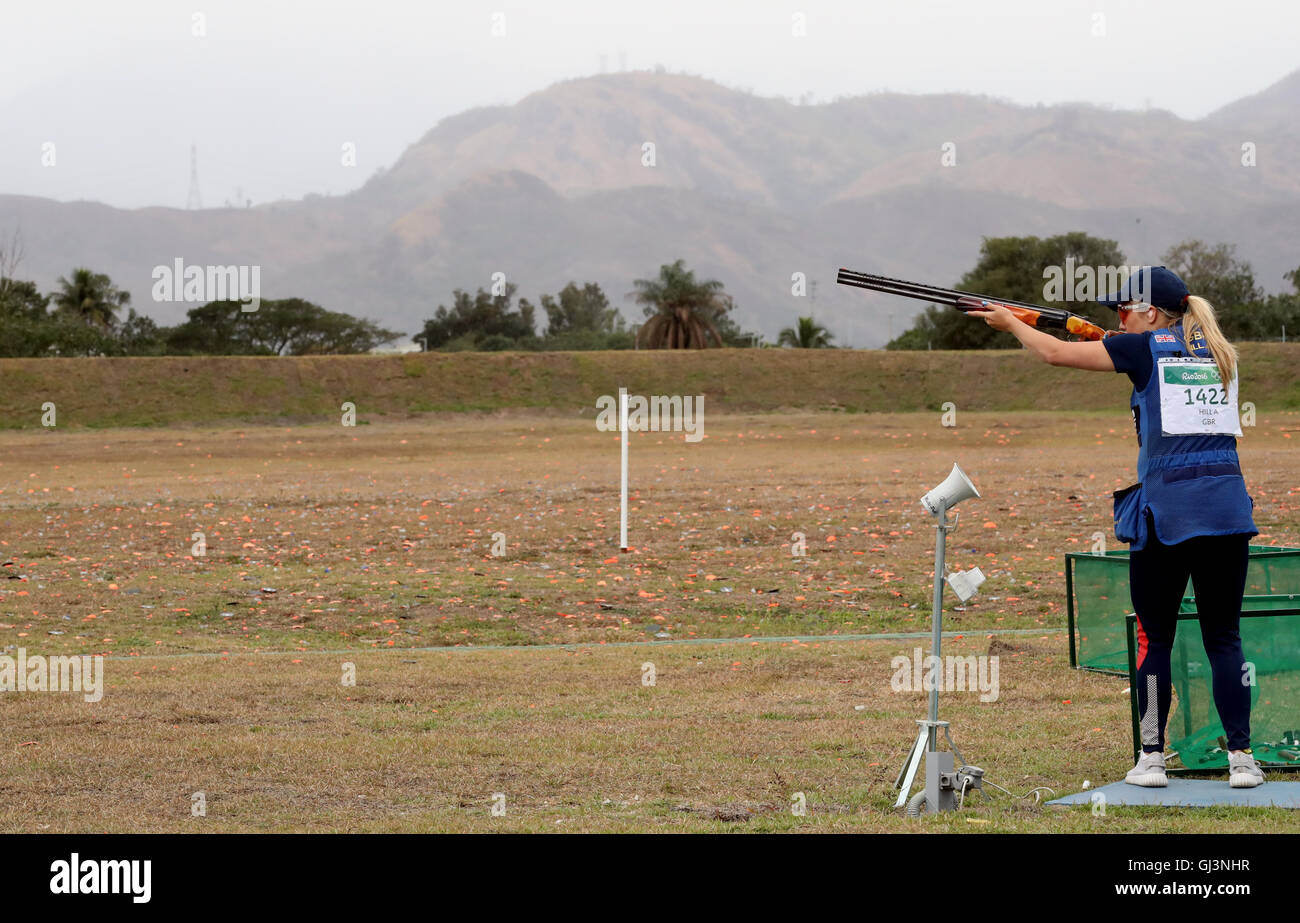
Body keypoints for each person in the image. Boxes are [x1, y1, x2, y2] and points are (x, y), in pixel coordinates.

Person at [968, 266, 1264, 789]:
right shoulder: (1219, 352)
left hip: (1168, 514)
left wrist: (1012, 324)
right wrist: (1100, 333)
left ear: (1150, 312)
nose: (1118, 318)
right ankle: (1242, 757)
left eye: (1123, 309)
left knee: (1155, 640)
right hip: (1226, 511)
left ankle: (1151, 757)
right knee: (1224, 638)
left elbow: (1055, 354)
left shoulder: (1142, 350)